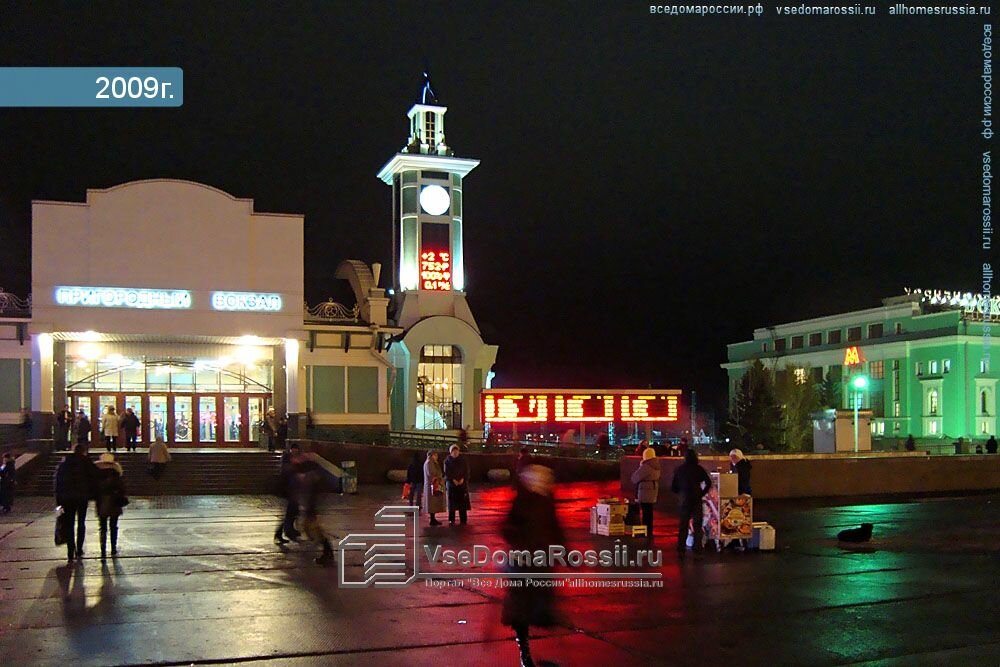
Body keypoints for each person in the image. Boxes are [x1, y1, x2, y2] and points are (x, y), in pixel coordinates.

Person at [501, 464, 565, 667]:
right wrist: (521, 543)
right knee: (522, 607)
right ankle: (524, 651)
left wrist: (565, 551)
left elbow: (555, 527)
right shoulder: (523, 500)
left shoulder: (547, 500)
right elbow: (507, 527)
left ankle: (534, 652)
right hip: (524, 561)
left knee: (540, 607)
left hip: (541, 560)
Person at [290, 450, 339, 565]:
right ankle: (326, 553)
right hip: (310, 509)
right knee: (311, 530)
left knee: (315, 531)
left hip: (311, 510)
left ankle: (327, 554)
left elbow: (311, 495)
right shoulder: (312, 478)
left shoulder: (311, 478)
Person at [54, 444, 97, 561]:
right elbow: (95, 477)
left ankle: (70, 550)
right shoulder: (86, 462)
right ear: (84, 451)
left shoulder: (64, 464)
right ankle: (79, 549)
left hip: (66, 498)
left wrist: (58, 501)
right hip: (81, 497)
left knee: (69, 524)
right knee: (81, 522)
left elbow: (58, 483)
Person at [670, 449, 712, 556]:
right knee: (697, 525)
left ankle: (681, 548)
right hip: (696, 499)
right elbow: (708, 482)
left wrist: (681, 492)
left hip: (685, 499)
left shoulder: (680, 470)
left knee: (683, 525)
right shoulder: (699, 469)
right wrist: (702, 493)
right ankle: (697, 548)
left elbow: (674, 487)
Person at [94, 452, 126, 558]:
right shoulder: (116, 473)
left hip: (101, 501)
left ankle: (103, 549)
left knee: (102, 527)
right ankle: (113, 548)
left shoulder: (97, 474)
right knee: (113, 526)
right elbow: (122, 488)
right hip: (114, 502)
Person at [274, 443, 302, 544]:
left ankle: (290, 530)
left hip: (294, 490)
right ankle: (279, 534)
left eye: (296, 449)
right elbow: (286, 471)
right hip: (288, 490)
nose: (295, 451)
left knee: (293, 512)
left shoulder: (296, 459)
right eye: (294, 449)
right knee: (289, 513)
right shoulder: (287, 458)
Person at [631, 447, 661, 537]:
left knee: (645, 512)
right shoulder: (656, 465)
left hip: (645, 491)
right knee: (649, 512)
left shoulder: (646, 466)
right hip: (653, 489)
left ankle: (645, 531)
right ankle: (649, 531)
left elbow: (634, 478)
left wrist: (641, 466)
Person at [444, 444, 471, 525]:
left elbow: (467, 471)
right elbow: (447, 472)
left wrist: (463, 478)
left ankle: (463, 519)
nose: (455, 453)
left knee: (462, 502)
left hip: (462, 484)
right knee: (452, 503)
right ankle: (451, 519)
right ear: (450, 452)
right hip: (452, 485)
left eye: (456, 451)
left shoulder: (463, 460)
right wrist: (453, 479)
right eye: (453, 451)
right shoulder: (447, 461)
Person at [423, 450, 445, 526]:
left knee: (433, 503)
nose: (437, 457)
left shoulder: (429, 462)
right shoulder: (430, 462)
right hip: (433, 485)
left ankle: (433, 518)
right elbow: (432, 473)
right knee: (432, 503)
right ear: (432, 455)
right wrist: (439, 477)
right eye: (435, 455)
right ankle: (432, 519)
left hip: (431, 485)